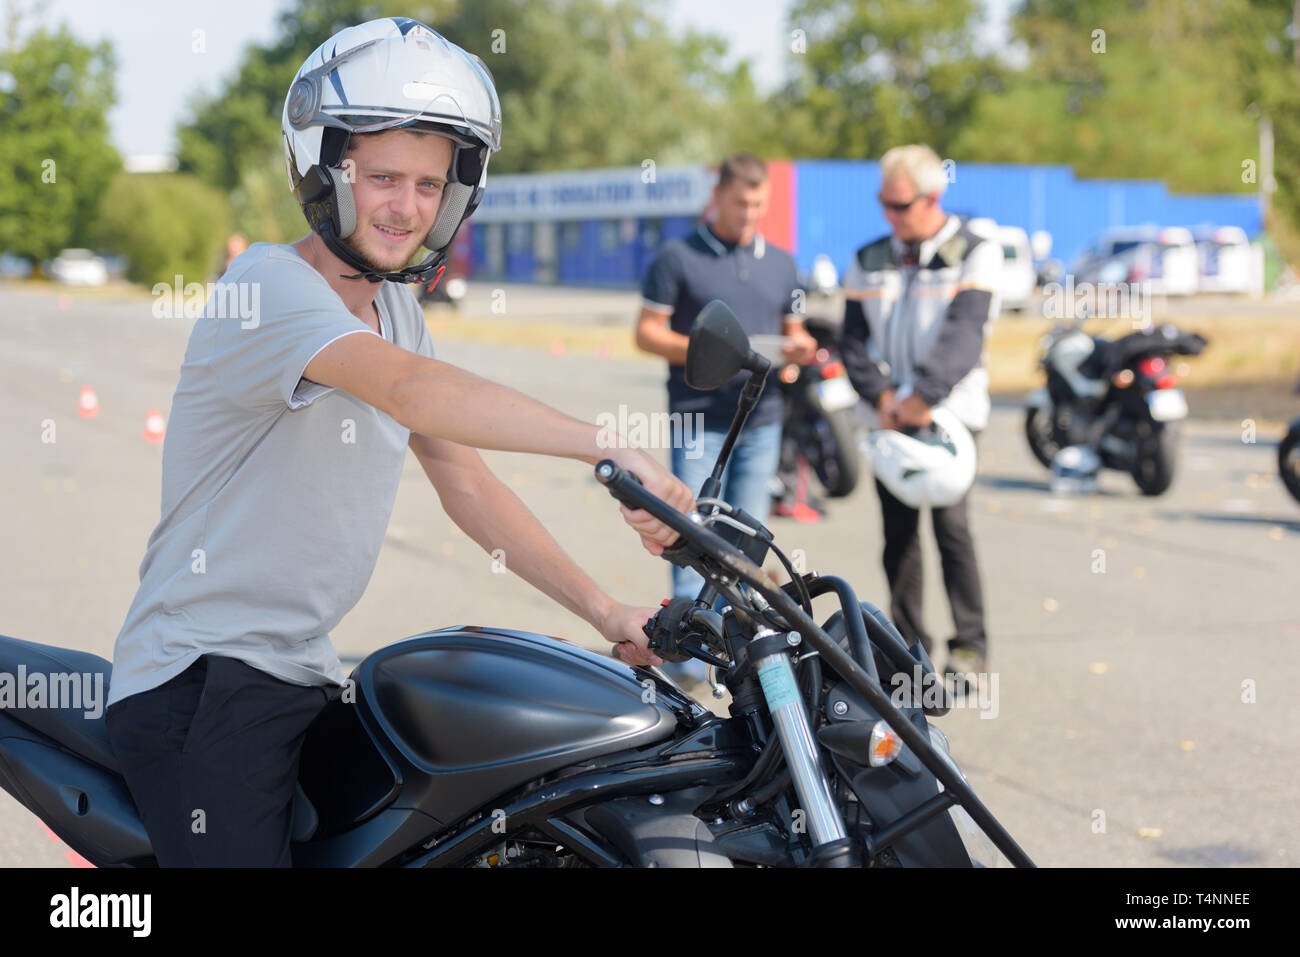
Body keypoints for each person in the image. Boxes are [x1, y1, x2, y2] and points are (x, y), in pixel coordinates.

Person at [102, 17, 693, 868]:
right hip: (203, 681)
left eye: (428, 183)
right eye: (381, 176)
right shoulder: (268, 286)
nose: (406, 206)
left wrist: (608, 611)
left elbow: (466, 481)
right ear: (320, 169)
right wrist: (608, 445)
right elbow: (413, 392)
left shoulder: (399, 310)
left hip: (302, 673)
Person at [634, 152, 815, 686]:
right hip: (698, 418)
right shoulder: (677, 257)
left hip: (762, 418)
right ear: (719, 196)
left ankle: (738, 653)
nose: (749, 214)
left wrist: (799, 348)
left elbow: (795, 329)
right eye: (740, 203)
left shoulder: (783, 262)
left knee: (745, 545)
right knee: (691, 536)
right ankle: (688, 659)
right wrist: (713, 350)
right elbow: (646, 332)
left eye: (759, 204)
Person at [838, 144, 1002, 684]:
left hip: (950, 409)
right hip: (887, 412)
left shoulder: (974, 249)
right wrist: (884, 397)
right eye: (883, 203)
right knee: (898, 534)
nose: (889, 215)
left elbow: (964, 335)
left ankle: (971, 646)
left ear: (933, 198)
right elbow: (853, 340)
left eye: (900, 205)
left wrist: (921, 399)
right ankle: (911, 650)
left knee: (952, 526)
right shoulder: (868, 258)